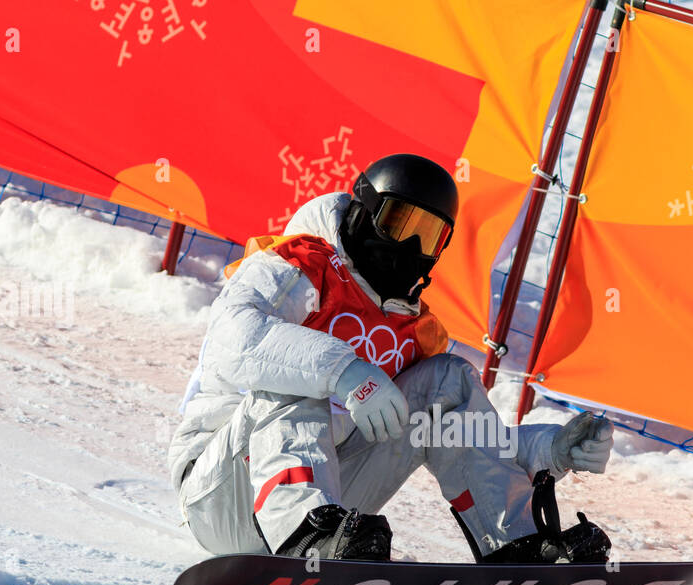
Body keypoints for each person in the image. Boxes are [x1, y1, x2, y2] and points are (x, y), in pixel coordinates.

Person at [167, 153, 614, 563]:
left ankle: (516, 544)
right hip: (222, 491)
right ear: (364, 210)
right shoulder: (296, 263)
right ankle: (305, 535)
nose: (410, 246)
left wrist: (550, 448)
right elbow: (234, 340)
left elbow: (461, 437)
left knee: (449, 381)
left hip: (333, 494)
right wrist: (345, 371)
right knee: (297, 380)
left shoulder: (411, 328)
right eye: (399, 222)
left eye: (429, 236)